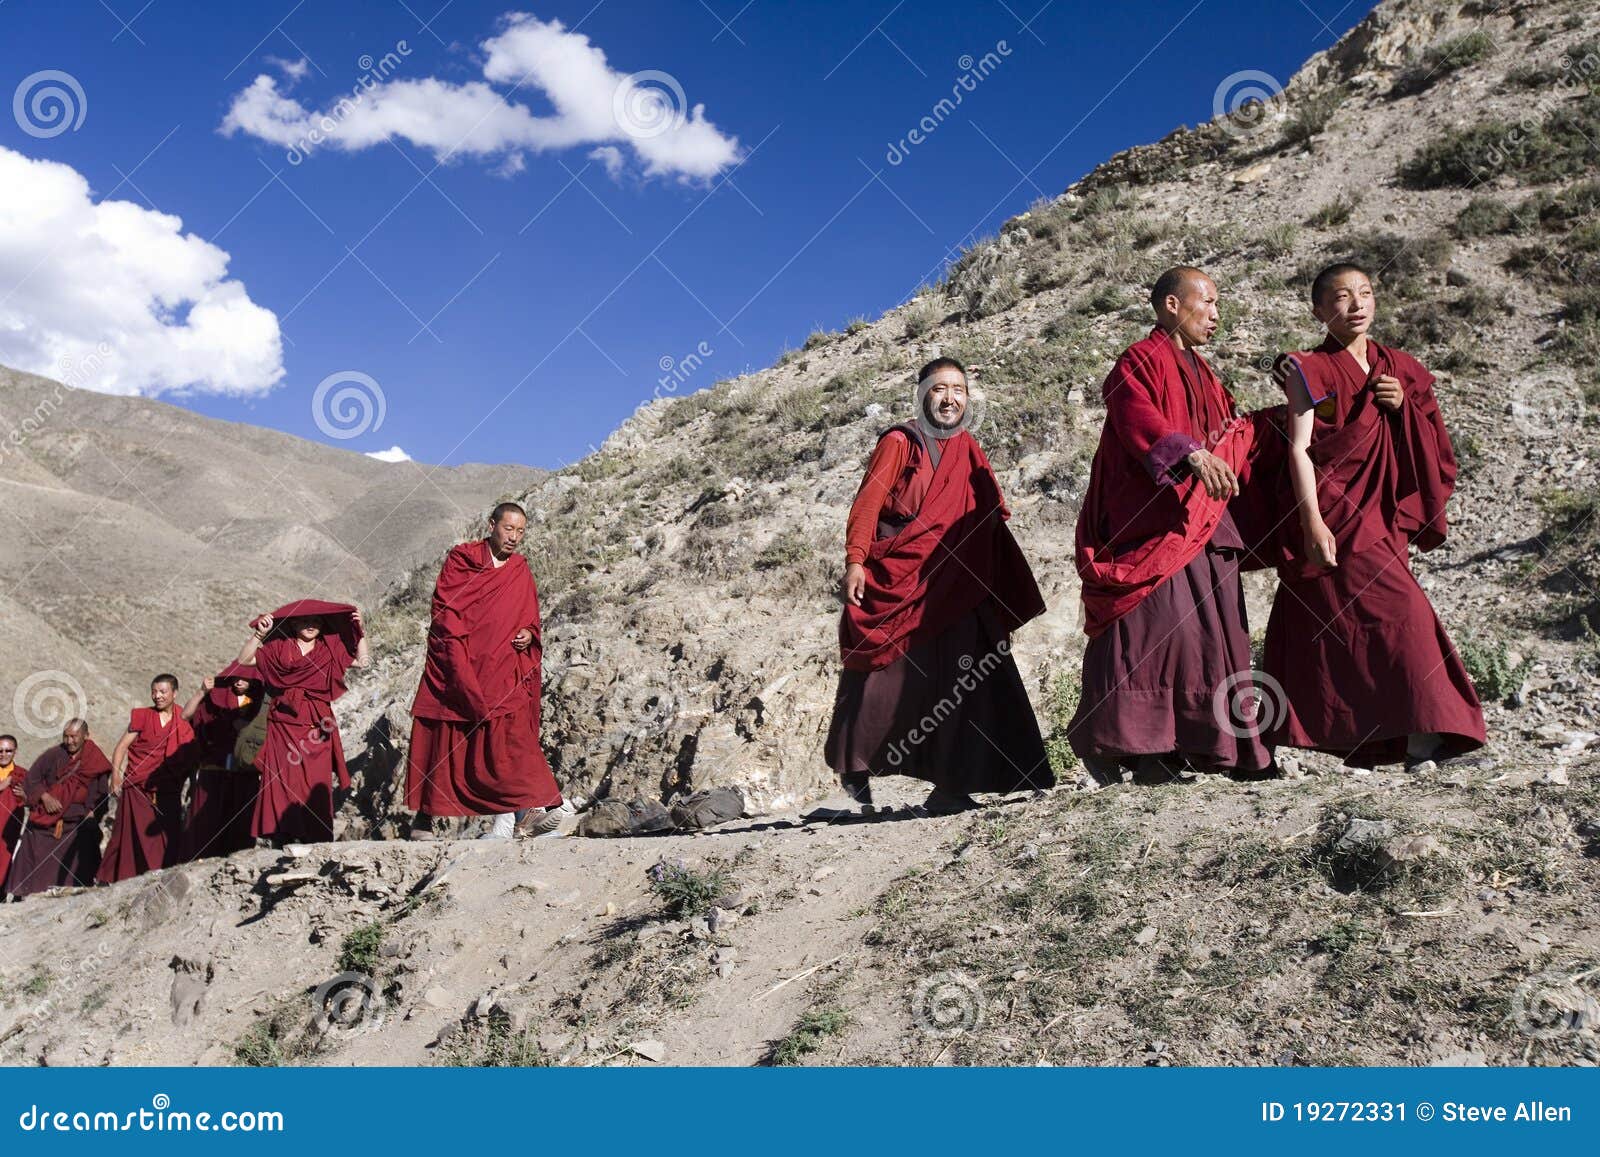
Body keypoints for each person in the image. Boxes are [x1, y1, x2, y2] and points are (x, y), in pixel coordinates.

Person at [1260, 262, 1485, 767]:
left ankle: (1381, 737)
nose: (1356, 304)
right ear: (1319, 310)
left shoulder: (1397, 366)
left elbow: (1431, 438)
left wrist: (1403, 406)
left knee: (1350, 619)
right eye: (1340, 297)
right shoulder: (1306, 367)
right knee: (1397, 615)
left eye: (1365, 293)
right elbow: (1299, 449)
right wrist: (1311, 522)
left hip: (1381, 513)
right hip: (1334, 513)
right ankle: (1427, 734)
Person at [1068, 266, 1272, 783]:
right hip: (1155, 518)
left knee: (1215, 634)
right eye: (1208, 302)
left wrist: (1292, 414)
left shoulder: (1205, 375)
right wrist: (1191, 454)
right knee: (1155, 628)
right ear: (1171, 306)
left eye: (1219, 304)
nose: (1216, 315)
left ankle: (1202, 746)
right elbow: (1134, 411)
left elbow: (1235, 434)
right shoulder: (1142, 358)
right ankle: (1132, 747)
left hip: (1202, 520)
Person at [824, 356, 1053, 815]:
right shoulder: (900, 441)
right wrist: (856, 560)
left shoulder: (968, 447)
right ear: (921, 394)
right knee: (886, 672)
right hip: (906, 570)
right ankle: (857, 765)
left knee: (974, 672)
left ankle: (953, 785)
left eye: (959, 389)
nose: (950, 398)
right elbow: (868, 502)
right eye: (938, 388)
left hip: (960, 580)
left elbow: (987, 513)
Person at [406, 502, 563, 841]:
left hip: (503, 669)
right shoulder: (462, 559)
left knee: (512, 738)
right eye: (509, 529)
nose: (514, 538)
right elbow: (446, 609)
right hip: (463, 663)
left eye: (521, 532)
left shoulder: (519, 569)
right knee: (444, 739)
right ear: (492, 524)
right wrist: (457, 657)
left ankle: (531, 812)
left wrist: (528, 633)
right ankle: (424, 820)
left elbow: (528, 614)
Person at [234, 600, 369, 845]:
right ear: (294, 623)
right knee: (282, 777)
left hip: (316, 724)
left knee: (315, 778)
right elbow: (244, 660)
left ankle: (314, 834)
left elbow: (362, 661)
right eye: (305, 620)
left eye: (316, 621)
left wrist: (360, 631)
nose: (311, 625)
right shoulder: (278, 647)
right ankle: (282, 833)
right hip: (283, 723)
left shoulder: (329, 649)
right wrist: (258, 634)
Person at [97, 675, 195, 883]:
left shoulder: (183, 718)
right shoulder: (142, 716)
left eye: (162, 692)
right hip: (137, 786)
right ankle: (124, 876)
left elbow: (189, 754)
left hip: (168, 786)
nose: (157, 696)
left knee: (167, 833)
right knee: (129, 833)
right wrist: (115, 777)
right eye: (154, 692)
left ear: (174, 693)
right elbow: (121, 747)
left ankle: (163, 873)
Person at [7, 720, 112, 898]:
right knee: (31, 835)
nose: (69, 741)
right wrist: (44, 796)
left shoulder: (94, 758)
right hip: (48, 817)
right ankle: (22, 891)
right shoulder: (53, 755)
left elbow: (101, 791)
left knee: (88, 834)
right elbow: (31, 779)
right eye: (66, 736)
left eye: (74, 737)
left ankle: (81, 887)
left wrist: (92, 811)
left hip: (77, 819)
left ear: (85, 736)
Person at [180, 662, 264, 860]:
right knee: (207, 821)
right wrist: (201, 692)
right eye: (236, 677)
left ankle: (237, 859)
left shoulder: (261, 702)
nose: (240, 681)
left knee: (241, 821)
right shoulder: (216, 699)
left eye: (246, 677)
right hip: (215, 769)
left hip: (245, 771)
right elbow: (186, 716)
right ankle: (199, 859)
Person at [0, 734, 26, 893]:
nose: (3, 754)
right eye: (0, 750)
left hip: (8, 827)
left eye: (8, 751)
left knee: (4, 859)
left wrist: (24, 796)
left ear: (15, 752)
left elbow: (33, 799)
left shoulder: (21, 774)